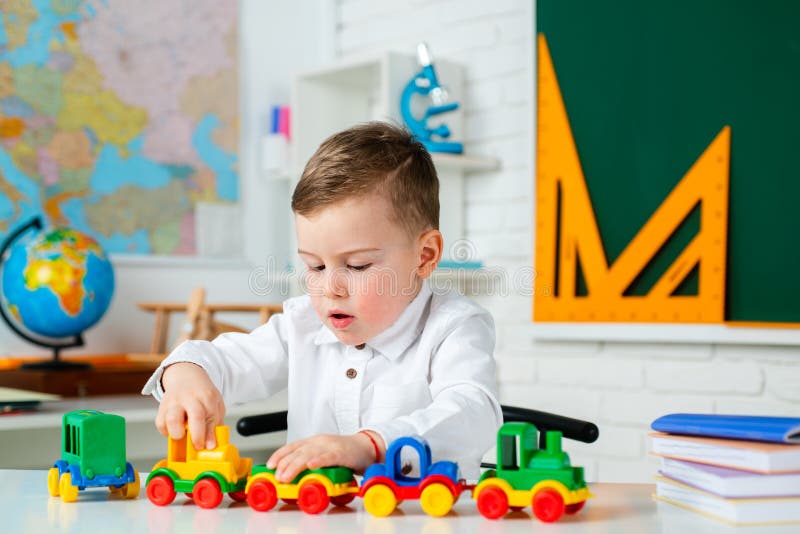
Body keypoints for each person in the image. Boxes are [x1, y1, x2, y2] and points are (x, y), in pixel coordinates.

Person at [142, 121, 502, 482]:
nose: (330, 288)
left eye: (357, 265)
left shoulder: (453, 326)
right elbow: (224, 360)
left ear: (424, 256)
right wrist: (187, 376)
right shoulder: (303, 324)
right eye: (314, 265)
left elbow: (472, 412)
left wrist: (372, 446)